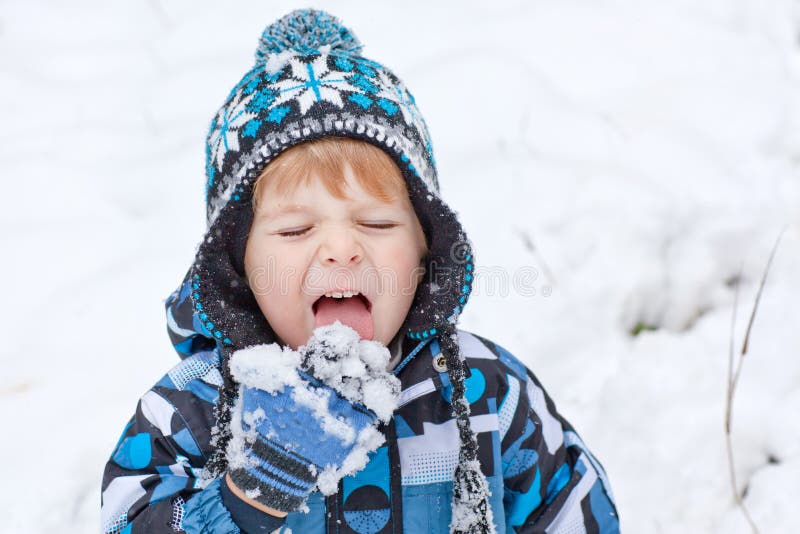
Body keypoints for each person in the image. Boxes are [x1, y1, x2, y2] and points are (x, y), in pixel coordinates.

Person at [100, 9, 619, 534]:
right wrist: (248, 495)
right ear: (239, 266)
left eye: (376, 223)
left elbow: (572, 511)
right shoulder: (190, 411)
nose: (342, 249)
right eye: (295, 230)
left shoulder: (483, 391)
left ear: (425, 251)